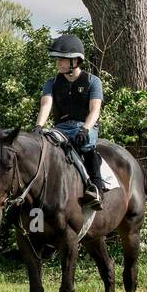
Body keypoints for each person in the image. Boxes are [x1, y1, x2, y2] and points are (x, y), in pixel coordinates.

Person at [34, 33, 107, 208]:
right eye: (58, 59)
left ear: (75, 61)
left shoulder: (93, 81)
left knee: (86, 144)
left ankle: (97, 187)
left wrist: (86, 129)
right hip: (60, 128)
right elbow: (46, 105)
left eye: (62, 60)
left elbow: (95, 109)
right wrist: (38, 127)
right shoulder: (51, 83)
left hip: (85, 126)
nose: (58, 63)